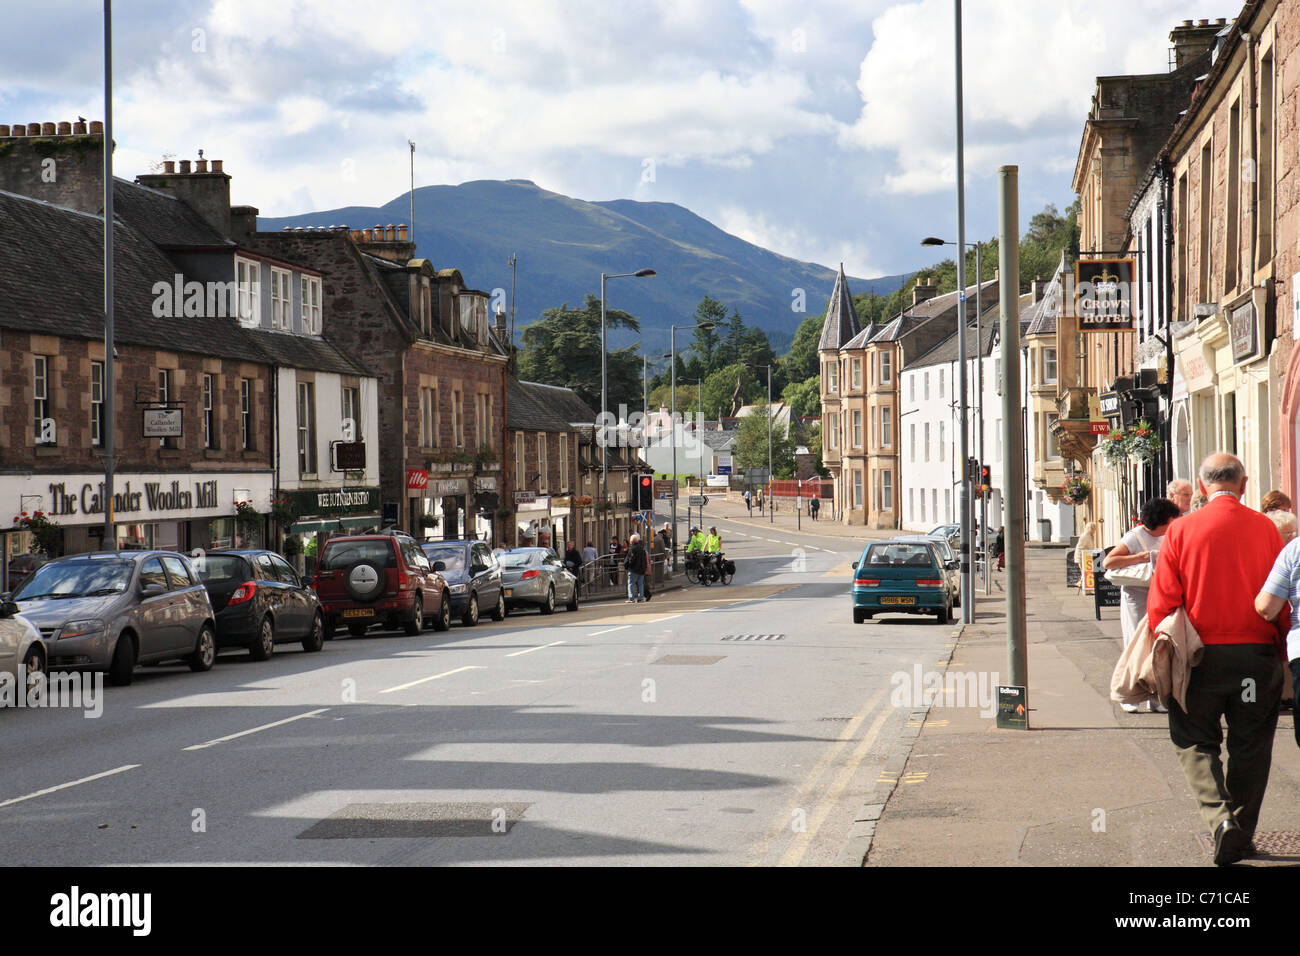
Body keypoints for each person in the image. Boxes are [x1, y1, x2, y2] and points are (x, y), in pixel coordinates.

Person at [1147, 452, 1286, 866]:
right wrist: (1280, 652)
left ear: (1203, 487)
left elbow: (1163, 602)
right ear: (1244, 485)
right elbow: (1281, 599)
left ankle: (1220, 820)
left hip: (1200, 657)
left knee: (1194, 738)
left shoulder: (1182, 530)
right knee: (1251, 747)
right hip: (1255, 657)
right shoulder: (1265, 529)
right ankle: (1240, 831)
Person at [1103, 497, 1182, 711]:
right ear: (1163, 521)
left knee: (1158, 644)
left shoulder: (1169, 535)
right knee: (1135, 644)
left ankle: (1155, 696)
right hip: (1137, 596)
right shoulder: (1135, 536)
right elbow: (1108, 562)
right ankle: (1128, 696)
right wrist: (1140, 557)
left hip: (1160, 594)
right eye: (1172, 519)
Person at [624, 533, 648, 603]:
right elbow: (644, 559)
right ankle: (640, 598)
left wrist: (628, 566)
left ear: (631, 541)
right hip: (641, 570)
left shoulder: (632, 549)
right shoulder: (642, 548)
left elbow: (631, 559)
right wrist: (644, 568)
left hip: (634, 569)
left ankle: (631, 598)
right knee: (640, 584)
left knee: (631, 583)